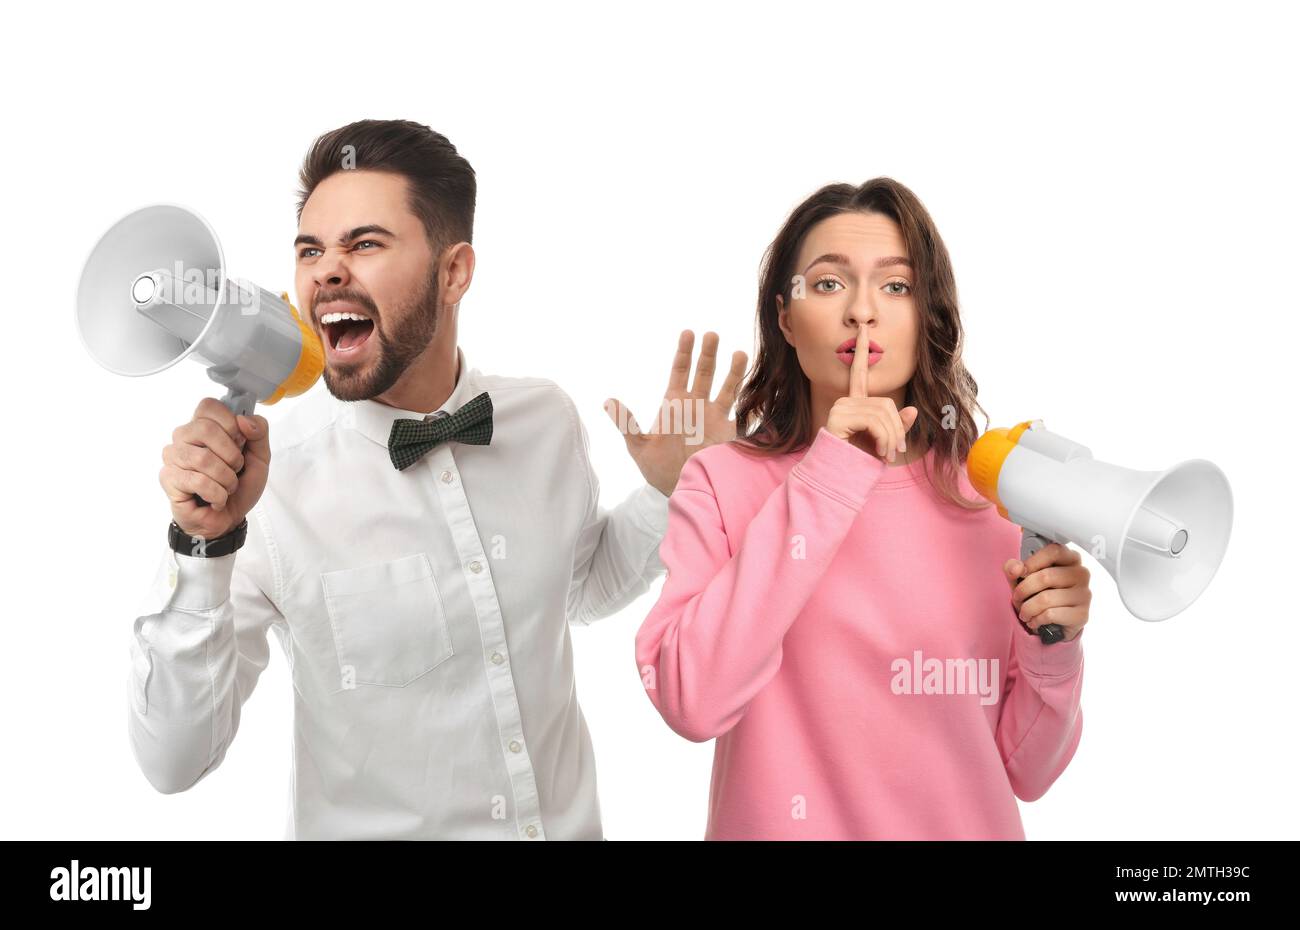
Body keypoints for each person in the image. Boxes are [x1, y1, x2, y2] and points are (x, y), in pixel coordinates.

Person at [130, 118, 747, 840]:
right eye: (311, 250)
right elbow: (172, 762)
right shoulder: (273, 485)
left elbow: (577, 592)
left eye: (364, 244)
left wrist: (669, 493)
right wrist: (201, 546)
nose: (328, 270)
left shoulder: (545, 420)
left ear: (453, 272)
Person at [634, 178, 1091, 840]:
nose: (862, 312)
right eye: (827, 284)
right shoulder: (722, 482)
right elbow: (690, 700)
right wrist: (830, 475)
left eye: (897, 286)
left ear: (927, 317)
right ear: (785, 318)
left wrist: (1056, 643)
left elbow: (1029, 772)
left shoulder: (993, 496)